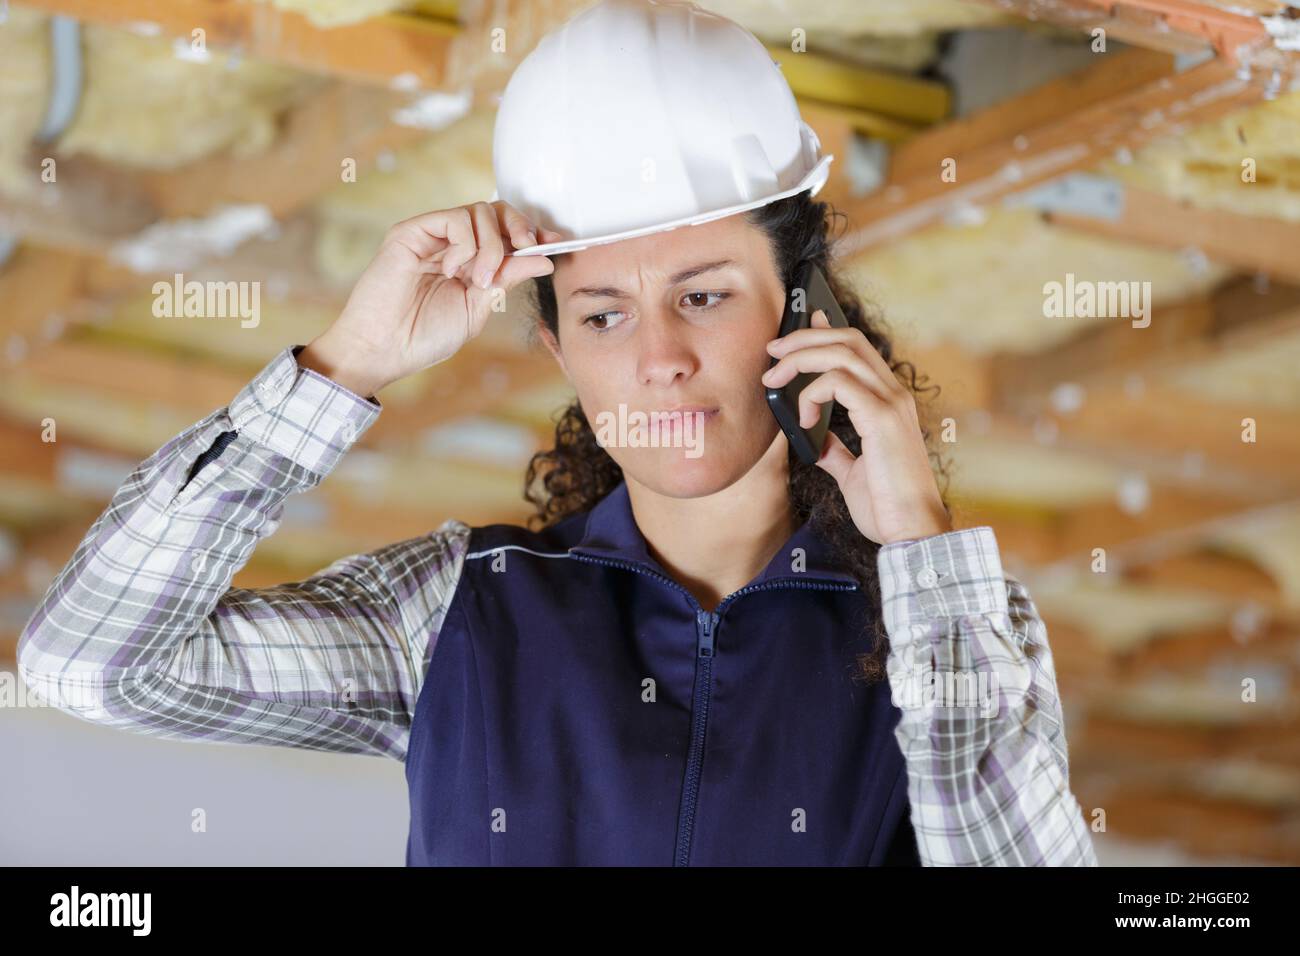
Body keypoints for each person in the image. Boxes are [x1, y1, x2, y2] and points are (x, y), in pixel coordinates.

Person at [17, 0, 1098, 867]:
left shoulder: (949, 623)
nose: (656, 358)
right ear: (558, 351)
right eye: (602, 315)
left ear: (803, 308)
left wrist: (917, 549)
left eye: (706, 296)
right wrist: (343, 364)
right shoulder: (456, 612)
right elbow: (92, 665)